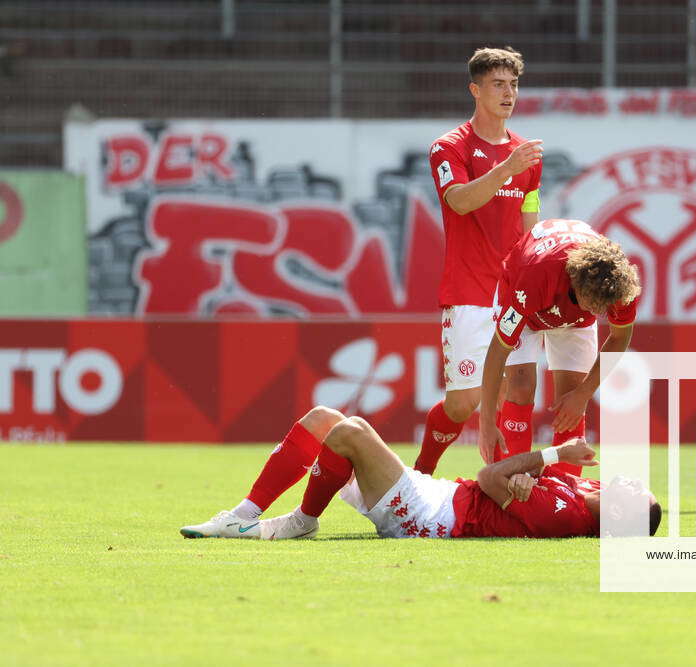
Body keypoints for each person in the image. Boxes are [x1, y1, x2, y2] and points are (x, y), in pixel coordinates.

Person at [179, 406, 661, 540]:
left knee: (348, 434)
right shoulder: (589, 490)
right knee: (322, 420)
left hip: (429, 518)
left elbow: (491, 475)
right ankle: (243, 514)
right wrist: (521, 480)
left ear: (619, 515)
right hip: (440, 494)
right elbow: (505, 482)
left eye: (637, 494)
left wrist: (549, 458)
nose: (634, 483)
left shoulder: (566, 515)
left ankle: (302, 521)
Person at [413, 45, 545, 476]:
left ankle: (512, 482)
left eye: (513, 85)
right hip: (469, 290)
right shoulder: (449, 147)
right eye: (497, 85)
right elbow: (461, 201)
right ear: (475, 90)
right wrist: (505, 169)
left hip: (514, 293)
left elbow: (529, 223)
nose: (508, 94)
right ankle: (421, 471)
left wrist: (541, 273)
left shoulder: (526, 154)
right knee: (465, 401)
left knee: (518, 388)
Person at [477, 219, 642, 476]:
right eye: (591, 302)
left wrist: (585, 393)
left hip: (574, 320)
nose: (598, 311)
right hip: (528, 307)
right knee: (520, 387)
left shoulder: (617, 286)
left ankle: (564, 493)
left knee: (572, 399)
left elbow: (620, 338)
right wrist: (486, 423)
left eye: (603, 307)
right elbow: (498, 351)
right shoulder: (535, 275)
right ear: (576, 281)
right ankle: (512, 483)